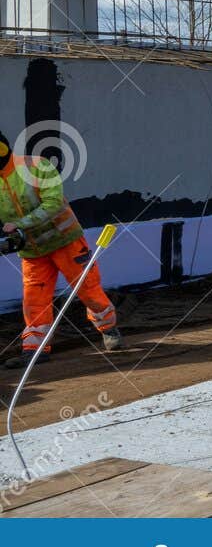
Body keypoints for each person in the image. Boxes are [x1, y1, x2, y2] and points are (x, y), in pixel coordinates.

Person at [0, 130, 123, 368]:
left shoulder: (36, 166)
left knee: (87, 288)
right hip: (33, 251)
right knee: (34, 300)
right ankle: (34, 350)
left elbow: (53, 204)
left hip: (65, 241)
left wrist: (20, 224)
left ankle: (109, 329)